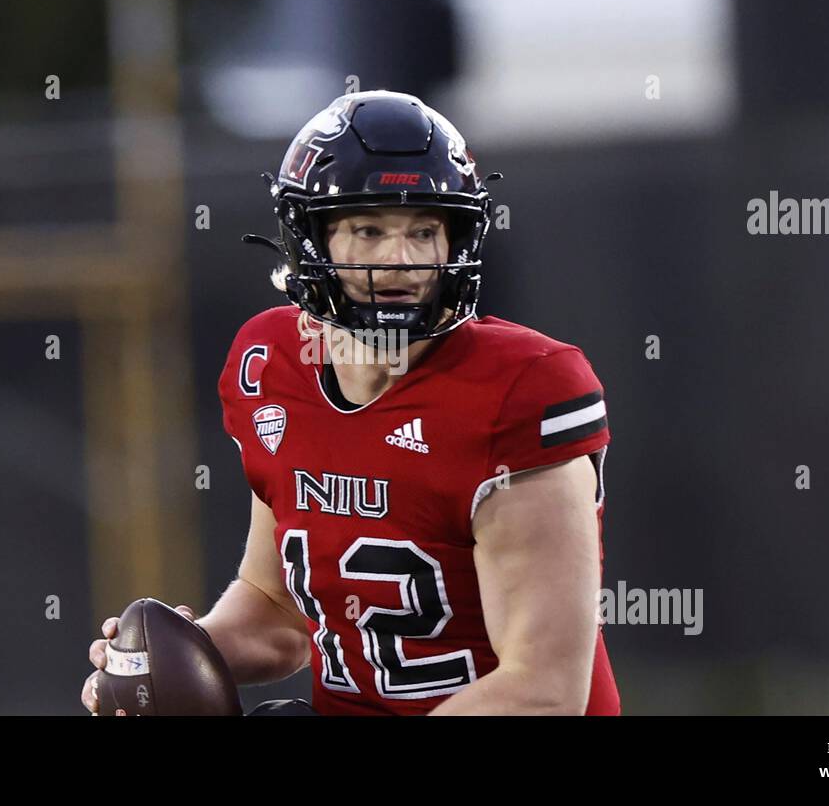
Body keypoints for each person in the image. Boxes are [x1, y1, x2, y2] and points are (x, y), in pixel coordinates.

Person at [83, 90, 619, 715]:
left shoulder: (521, 389)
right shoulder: (273, 364)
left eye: (425, 230)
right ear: (309, 238)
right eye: (369, 230)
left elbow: (542, 692)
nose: (400, 259)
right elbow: (277, 613)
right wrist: (173, 663)